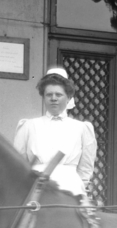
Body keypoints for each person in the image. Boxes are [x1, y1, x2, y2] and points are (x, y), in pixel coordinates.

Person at [13, 67, 97, 198]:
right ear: (43, 97)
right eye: (49, 94)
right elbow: (19, 163)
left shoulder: (81, 128)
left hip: (70, 188)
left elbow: (86, 168)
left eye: (58, 95)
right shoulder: (29, 126)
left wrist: (80, 186)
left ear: (68, 97)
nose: (53, 98)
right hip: (36, 188)